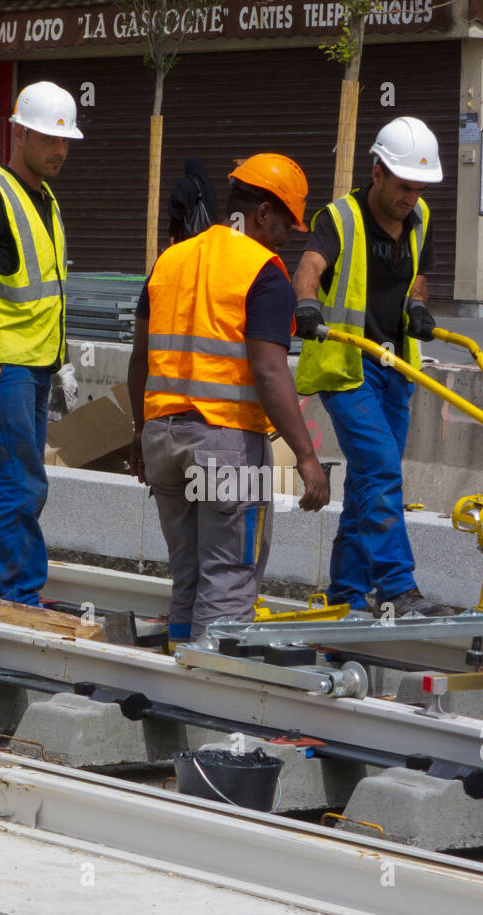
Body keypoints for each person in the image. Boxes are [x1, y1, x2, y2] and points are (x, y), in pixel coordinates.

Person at [128, 154, 330, 643]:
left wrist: (139, 434)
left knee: (190, 572)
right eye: (286, 223)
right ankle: (208, 688)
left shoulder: (170, 260)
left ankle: (180, 662)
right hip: (224, 447)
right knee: (228, 578)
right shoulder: (262, 272)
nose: (288, 237)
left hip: (163, 441)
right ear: (262, 212)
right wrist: (307, 457)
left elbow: (140, 361)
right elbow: (267, 368)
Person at [292, 116, 452, 619]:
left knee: (368, 480)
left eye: (419, 188)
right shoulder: (340, 218)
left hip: (395, 366)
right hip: (348, 365)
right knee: (381, 468)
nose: (411, 197)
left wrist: (419, 305)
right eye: (404, 186)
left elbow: (419, 276)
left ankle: (345, 595)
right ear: (378, 172)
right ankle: (398, 588)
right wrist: (306, 306)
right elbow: (309, 270)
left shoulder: (419, 217)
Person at [0, 82, 81, 605]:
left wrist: (63, 362)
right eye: (50, 138)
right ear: (19, 133)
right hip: (5, 367)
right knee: (20, 482)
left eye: (66, 140)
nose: (59, 150)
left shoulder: (45, 199)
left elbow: (52, 289)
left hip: (37, 364)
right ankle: (19, 594)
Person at [167, 157, 217, 244]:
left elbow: (176, 212)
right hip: (207, 238)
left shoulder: (183, 184)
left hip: (186, 237)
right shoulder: (209, 186)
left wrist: (173, 233)